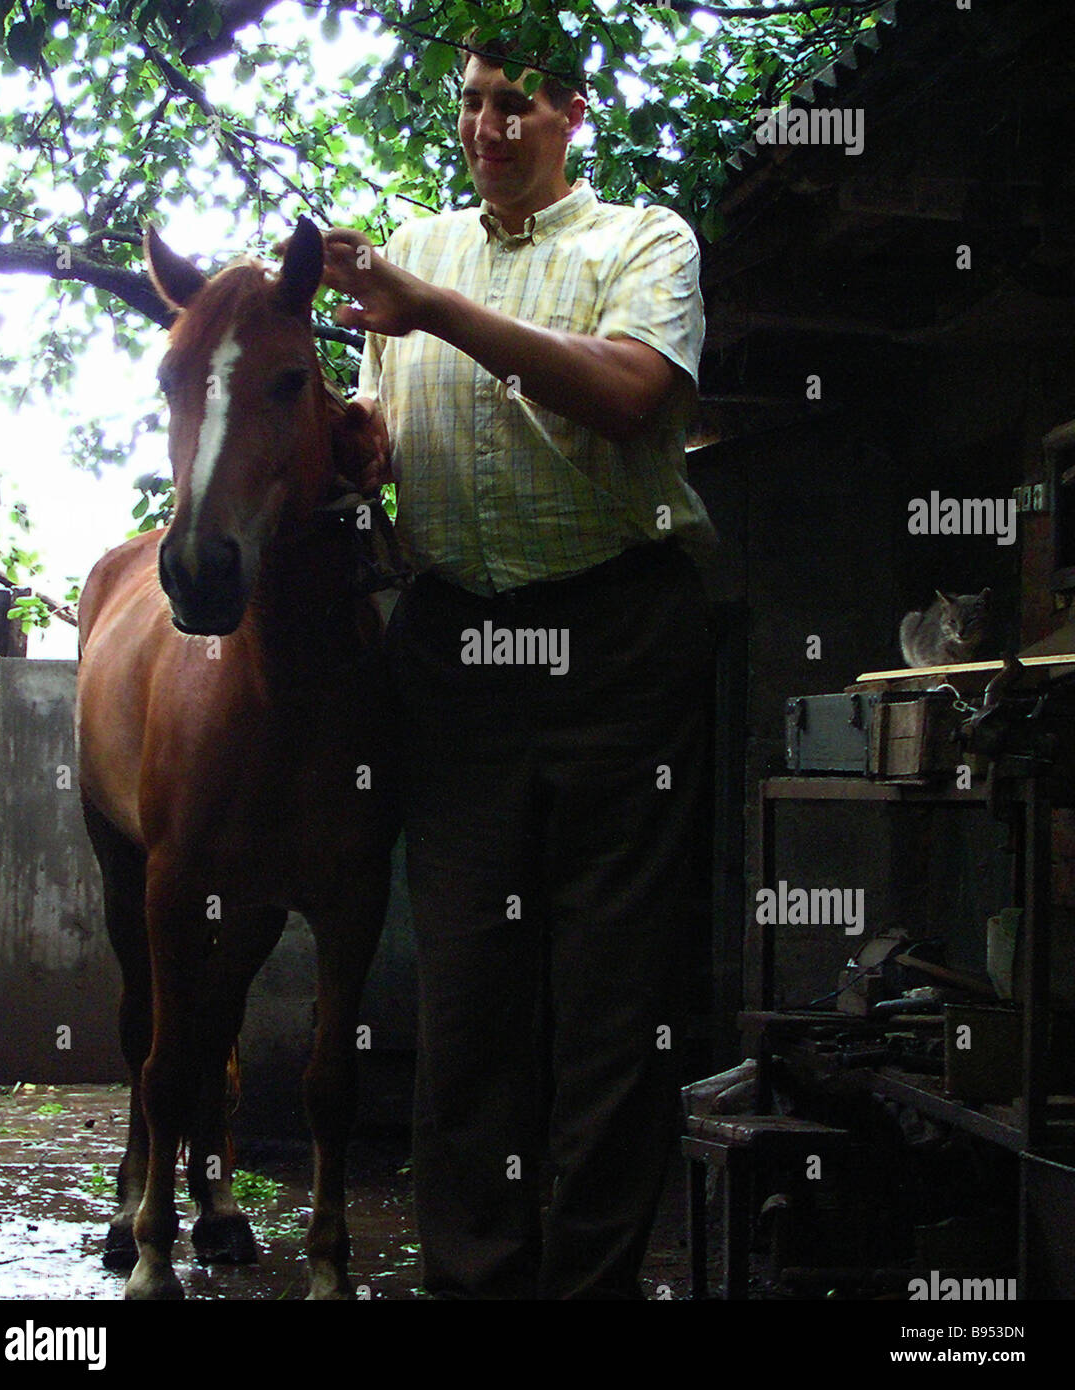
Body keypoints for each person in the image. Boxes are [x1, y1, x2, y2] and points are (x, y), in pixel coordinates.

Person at [320, 38, 717, 1300]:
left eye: (517, 102)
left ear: (570, 112)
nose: (489, 125)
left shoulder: (642, 243)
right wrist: (353, 444)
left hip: (620, 651)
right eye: (474, 103)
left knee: (612, 1007)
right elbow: (385, 445)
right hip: (456, 665)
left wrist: (432, 310)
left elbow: (633, 398)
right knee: (469, 1004)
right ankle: (476, 1284)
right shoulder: (410, 250)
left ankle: (591, 1288)